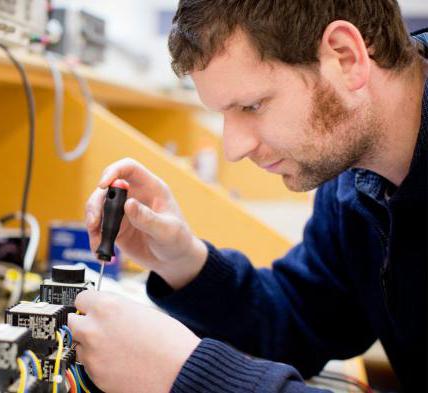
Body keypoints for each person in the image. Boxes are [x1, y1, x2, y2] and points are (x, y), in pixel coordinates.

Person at [67, 1, 428, 392]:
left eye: (252, 105)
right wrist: (184, 262)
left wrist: (189, 376)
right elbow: (304, 319)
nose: (234, 148)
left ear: (345, 57)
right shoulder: (355, 174)